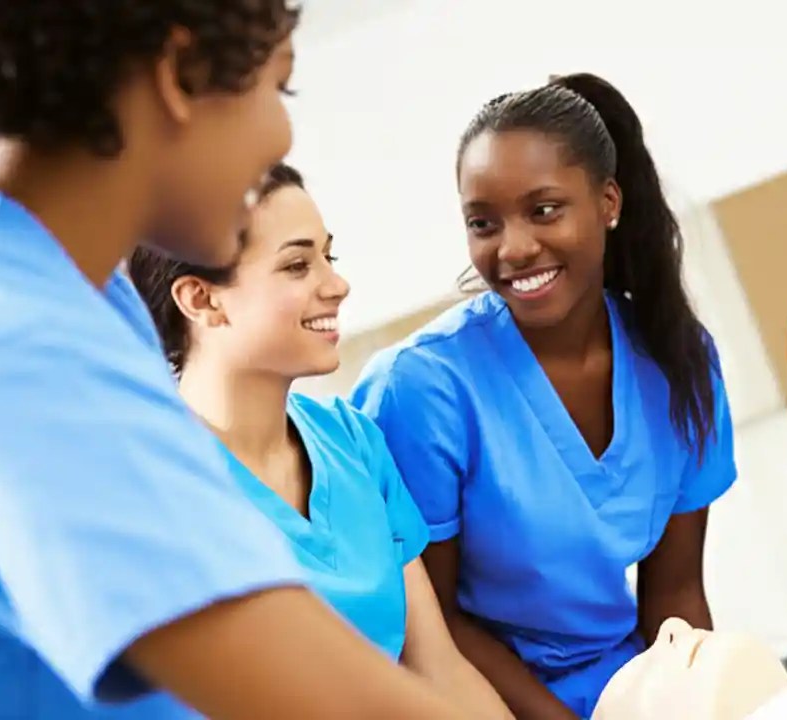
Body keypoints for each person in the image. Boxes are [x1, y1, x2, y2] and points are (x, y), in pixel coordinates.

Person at [0, 3, 468, 718]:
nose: (282, 135)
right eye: (279, 87)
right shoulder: (8, 343)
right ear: (180, 73)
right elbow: (313, 694)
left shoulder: (59, 284)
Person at [350, 73, 739, 718]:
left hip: (625, 689)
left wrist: (700, 701)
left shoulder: (678, 360)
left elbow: (674, 596)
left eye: (544, 210)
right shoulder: (422, 389)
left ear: (608, 202)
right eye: (483, 223)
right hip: (476, 700)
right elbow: (429, 627)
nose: (514, 248)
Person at [128, 162, 514, 719]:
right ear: (201, 299)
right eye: (296, 265)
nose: (336, 285)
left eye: (329, 258)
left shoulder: (351, 439)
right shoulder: (160, 488)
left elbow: (439, 669)